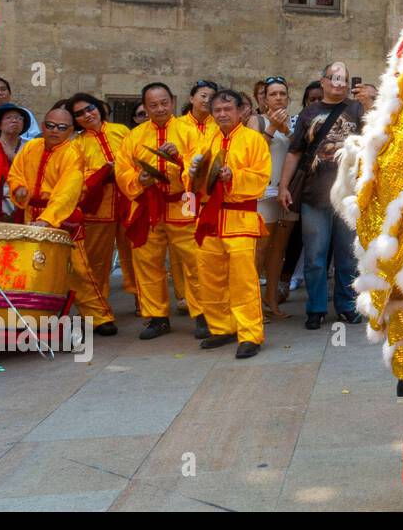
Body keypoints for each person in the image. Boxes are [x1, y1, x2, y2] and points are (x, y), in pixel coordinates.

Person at [7, 106, 116, 335]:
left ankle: (99, 317)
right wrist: (19, 189)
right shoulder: (31, 147)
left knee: (78, 269)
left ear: (71, 130)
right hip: (31, 215)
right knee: (33, 268)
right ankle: (33, 316)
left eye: (61, 127)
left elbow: (67, 193)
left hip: (63, 219)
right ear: (43, 125)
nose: (54, 130)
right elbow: (15, 173)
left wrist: (48, 220)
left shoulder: (73, 153)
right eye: (49, 125)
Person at [115, 82, 205, 340]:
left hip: (182, 202)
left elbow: (200, 162)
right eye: (153, 105)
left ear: (173, 102)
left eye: (164, 103)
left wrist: (180, 160)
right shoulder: (134, 136)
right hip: (147, 205)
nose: (160, 108)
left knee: (194, 261)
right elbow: (122, 169)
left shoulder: (190, 131)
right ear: (145, 106)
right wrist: (138, 179)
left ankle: (201, 314)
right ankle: (156, 317)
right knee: (147, 262)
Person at [278, 61, 364, 330]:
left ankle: (346, 306)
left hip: (349, 196)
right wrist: (283, 186)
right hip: (314, 195)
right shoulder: (309, 113)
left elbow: (376, 141)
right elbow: (294, 152)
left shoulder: (358, 110)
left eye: (343, 79)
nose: (338, 83)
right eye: (333, 78)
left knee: (347, 257)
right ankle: (315, 307)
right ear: (323, 81)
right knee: (315, 257)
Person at [189, 90, 272, 359]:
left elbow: (261, 178)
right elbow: (193, 174)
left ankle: (250, 333)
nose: (222, 114)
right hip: (210, 219)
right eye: (217, 110)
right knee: (210, 277)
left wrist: (233, 175)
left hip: (240, 219)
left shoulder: (253, 140)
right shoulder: (207, 139)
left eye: (228, 109)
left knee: (243, 281)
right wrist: (189, 171)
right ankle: (221, 328)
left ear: (241, 111)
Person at [68, 93, 136, 300]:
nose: (87, 115)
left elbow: (137, 157)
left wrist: (122, 169)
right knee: (96, 261)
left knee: (136, 255)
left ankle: (143, 303)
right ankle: (99, 308)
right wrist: (102, 172)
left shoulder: (121, 131)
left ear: (98, 107)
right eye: (79, 114)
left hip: (129, 203)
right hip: (98, 209)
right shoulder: (76, 144)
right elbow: (76, 175)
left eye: (90, 109)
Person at [254, 77, 298, 320]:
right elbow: (253, 152)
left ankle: (271, 300)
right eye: (273, 94)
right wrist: (271, 128)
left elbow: (300, 151)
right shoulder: (256, 120)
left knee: (278, 251)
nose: (278, 98)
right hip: (264, 192)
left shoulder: (295, 122)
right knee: (260, 249)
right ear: (264, 98)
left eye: (283, 93)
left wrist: (288, 131)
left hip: (288, 193)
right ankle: (252, 306)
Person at [0, 103, 29, 220]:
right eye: (8, 118)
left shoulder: (30, 146)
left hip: (20, 200)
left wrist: (12, 156)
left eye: (19, 118)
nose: (14, 121)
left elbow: (33, 172)